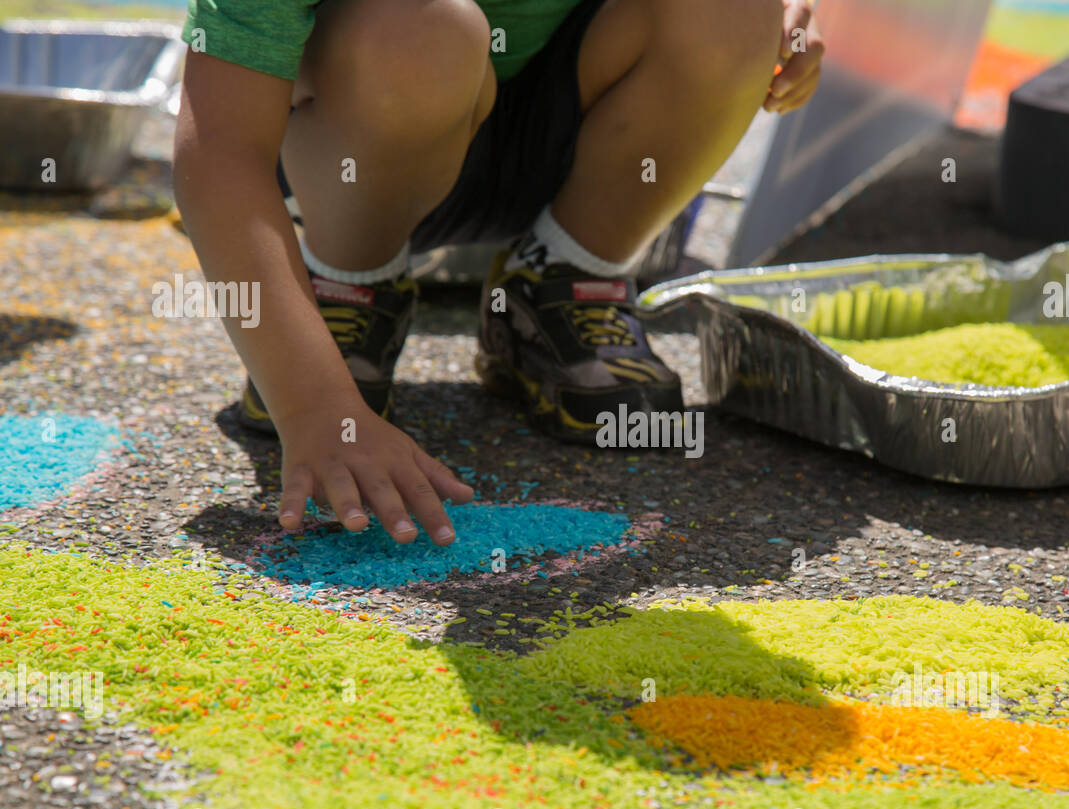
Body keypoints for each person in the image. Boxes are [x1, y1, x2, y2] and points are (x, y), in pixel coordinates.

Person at [173, 0, 824, 545]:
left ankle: (564, 274)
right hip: (361, 139)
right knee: (424, 33)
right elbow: (219, 149)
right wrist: (309, 400)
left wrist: (781, 22)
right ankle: (348, 280)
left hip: (573, 135)